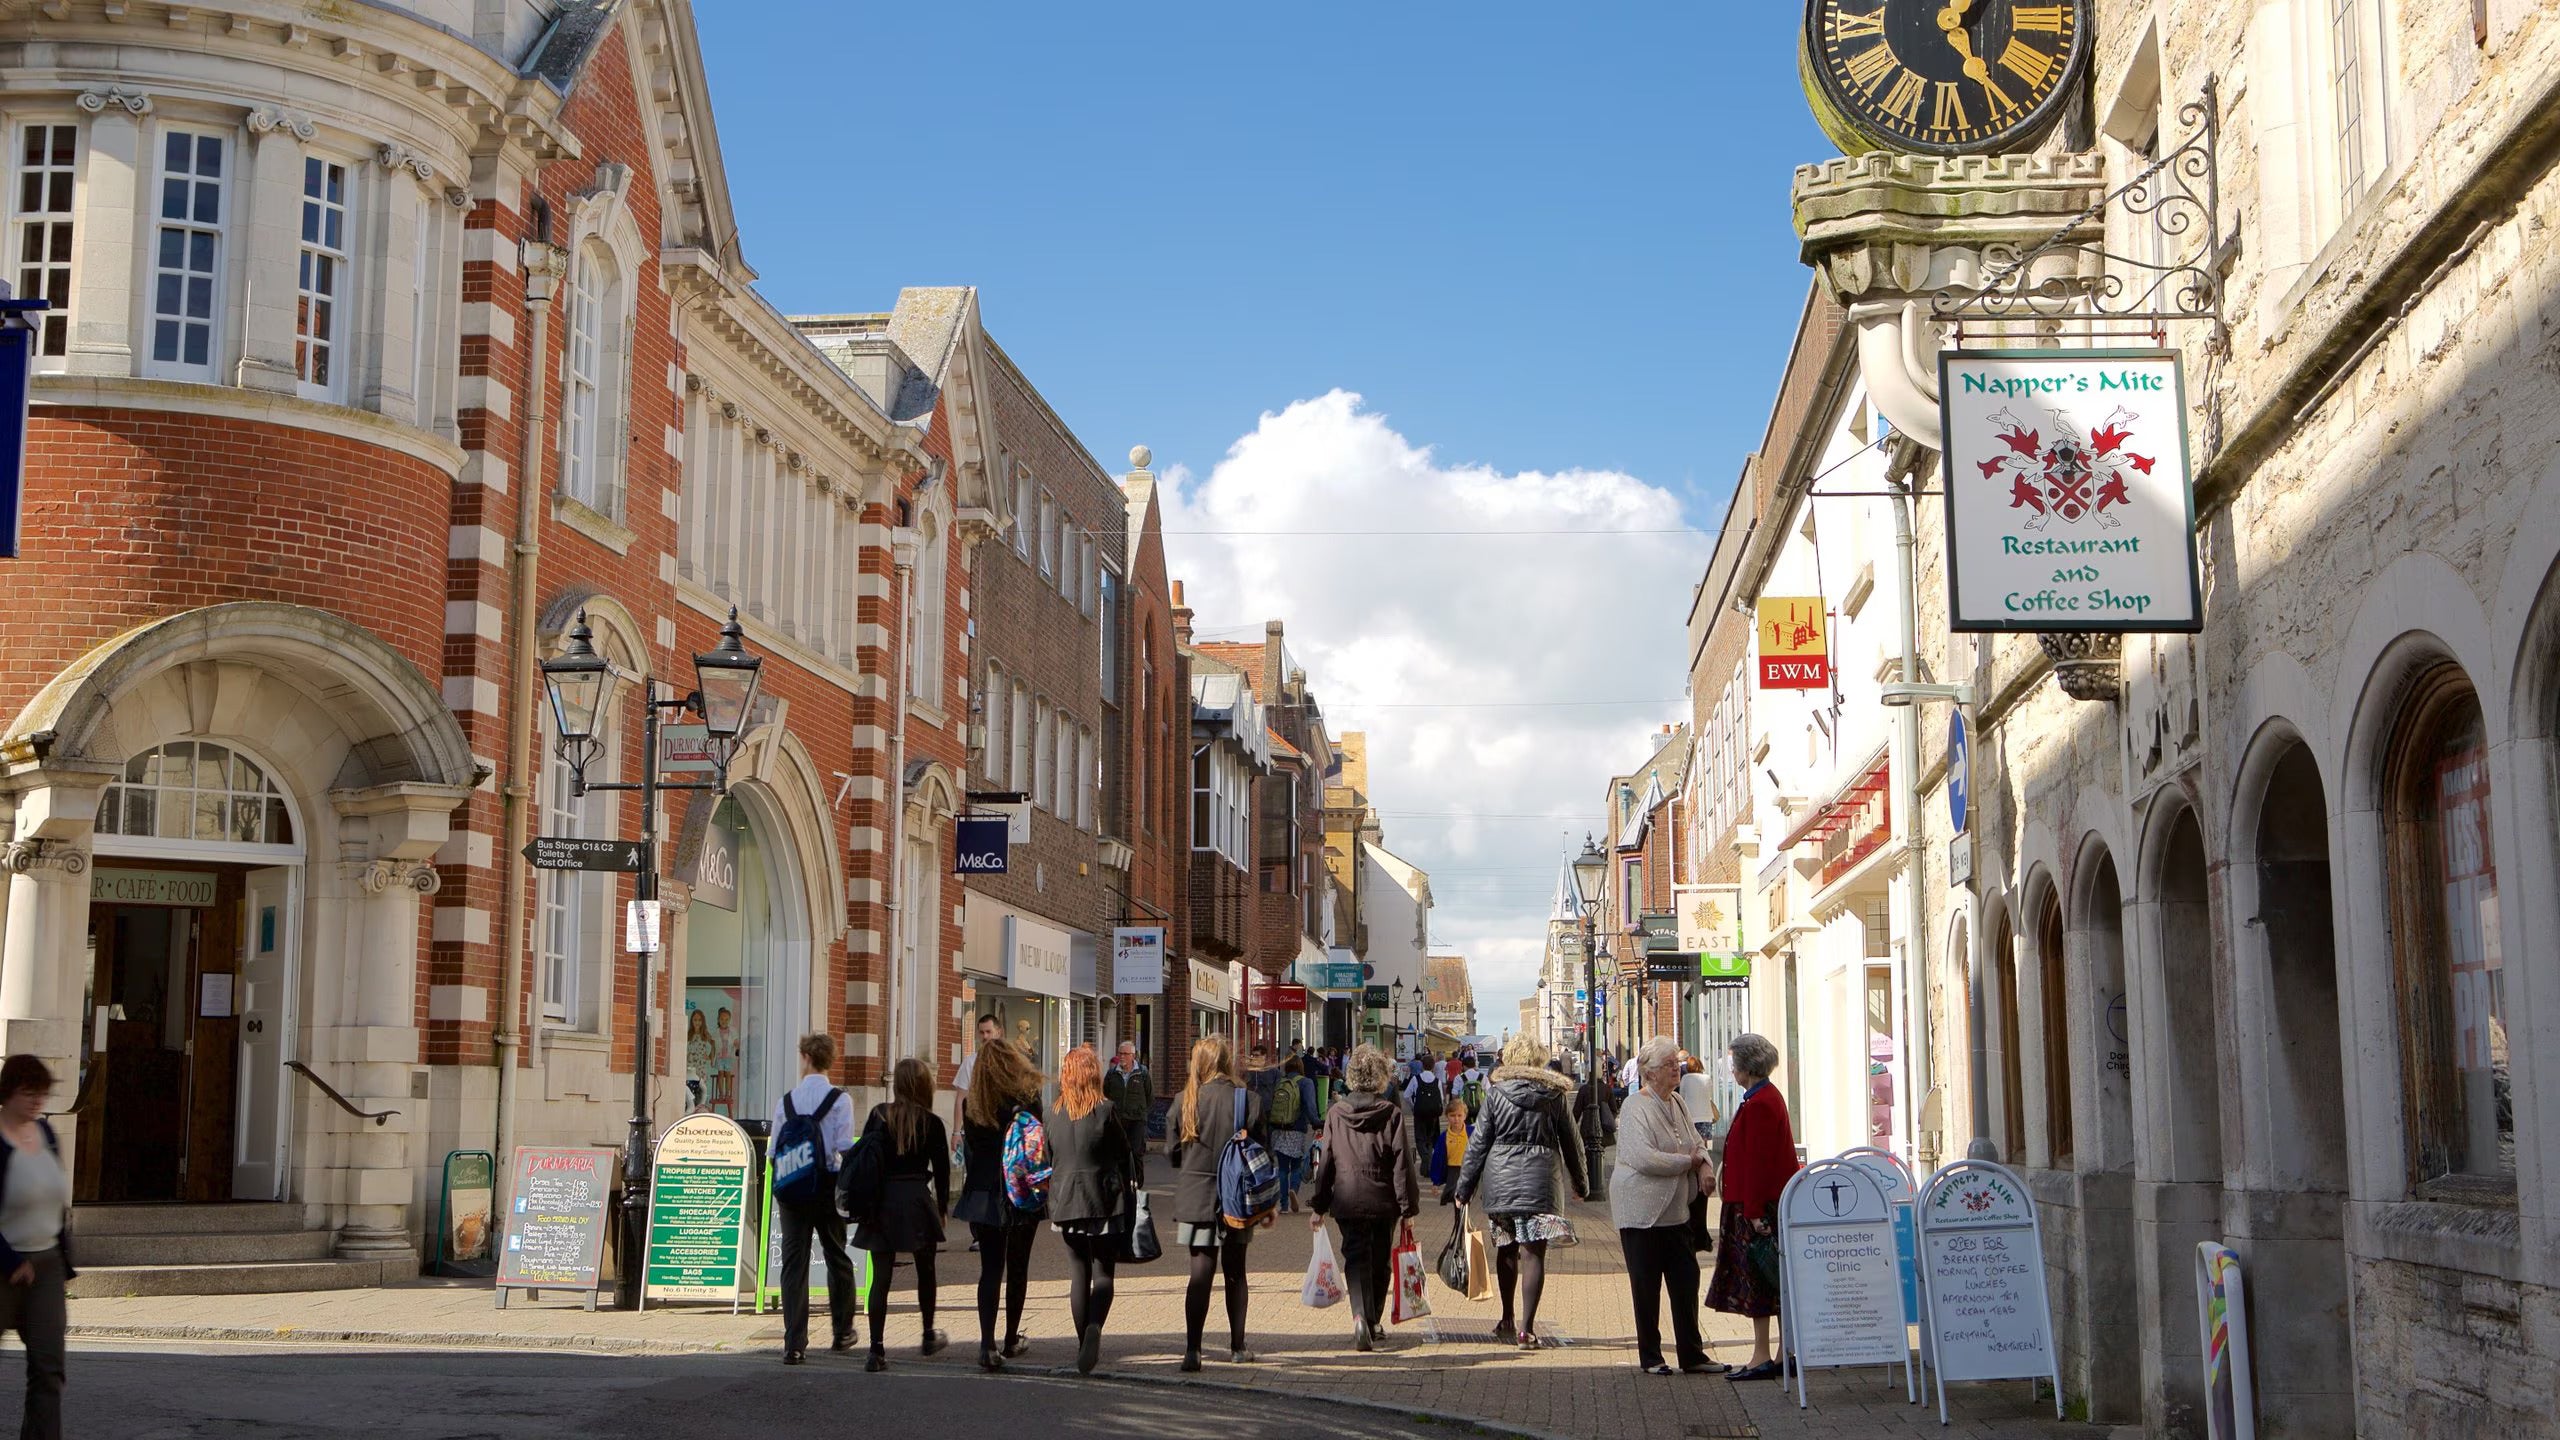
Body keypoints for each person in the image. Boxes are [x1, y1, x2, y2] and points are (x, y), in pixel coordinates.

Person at [1452, 1031, 1588, 1351]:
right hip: (1542, 1184)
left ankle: (1507, 1317)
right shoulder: (1554, 1095)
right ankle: (1527, 1329)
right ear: (1539, 1059)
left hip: (1502, 1183)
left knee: (1507, 1249)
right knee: (1534, 1253)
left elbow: (1478, 1145)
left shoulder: (1497, 1094)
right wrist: (1582, 1184)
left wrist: (1464, 1189)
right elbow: (1572, 1144)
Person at [1613, 1038, 1716, 1376]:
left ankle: (1693, 1355)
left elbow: (1697, 1143)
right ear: (1651, 1072)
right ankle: (1652, 1357)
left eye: (1677, 1063)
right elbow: (1644, 1158)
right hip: (1641, 1211)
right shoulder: (1634, 1107)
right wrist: (1687, 1161)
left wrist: (1704, 1166)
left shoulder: (1679, 1102)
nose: (1677, 1068)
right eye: (1670, 1064)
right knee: (1646, 1286)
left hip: (1677, 1210)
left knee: (1686, 1281)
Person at [1310, 1044, 1418, 1351]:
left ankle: (1360, 1316)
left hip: (1346, 1197)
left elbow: (1326, 1160)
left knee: (1355, 1258)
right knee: (1380, 1262)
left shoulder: (1336, 1113)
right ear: (1381, 1076)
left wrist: (1319, 1204)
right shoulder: (1391, 1114)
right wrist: (1408, 1206)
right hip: (1383, 1199)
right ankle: (1373, 1321)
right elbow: (1402, 1164)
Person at [1706, 1033, 1800, 1381]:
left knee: (1759, 1281)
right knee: (1770, 1281)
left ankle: (1764, 1355)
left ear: (1746, 1066)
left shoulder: (1761, 1103)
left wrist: (1756, 1211)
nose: (1731, 1071)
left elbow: (1760, 1162)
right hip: (1753, 1202)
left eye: (1733, 1064)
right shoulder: (1762, 1097)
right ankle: (1780, 1352)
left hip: (1755, 1205)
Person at [1169, 1033, 1264, 1371]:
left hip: (1196, 1198)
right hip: (1237, 1198)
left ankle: (1193, 1350)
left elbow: (1171, 1154)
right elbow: (1259, 1152)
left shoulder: (1184, 1100)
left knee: (1199, 1275)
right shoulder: (1246, 1100)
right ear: (1227, 1062)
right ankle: (1238, 1346)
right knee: (1236, 1273)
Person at [852, 1057, 950, 1372]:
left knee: (880, 1278)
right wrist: (943, 1208)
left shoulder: (879, 1115)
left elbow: (866, 1159)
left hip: (882, 1200)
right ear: (924, 1086)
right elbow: (944, 1171)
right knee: (927, 1271)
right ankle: (927, 1334)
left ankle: (876, 1350)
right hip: (918, 1200)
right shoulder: (932, 1122)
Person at [1046, 1045, 1135, 1374]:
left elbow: (1048, 1156)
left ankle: (1083, 1342)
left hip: (1065, 1201)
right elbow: (1124, 1153)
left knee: (1078, 1275)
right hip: (1103, 1202)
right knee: (1103, 1274)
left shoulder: (1052, 1112)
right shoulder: (1105, 1109)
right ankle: (1095, 1328)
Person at [956, 1037, 1044, 1370]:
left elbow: (974, 1154)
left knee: (990, 1270)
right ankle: (1010, 1339)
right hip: (1019, 1192)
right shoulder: (1026, 1099)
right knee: (1018, 1267)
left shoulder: (973, 1107)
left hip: (983, 1194)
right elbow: (1037, 1143)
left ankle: (986, 1343)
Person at [770, 1033, 858, 1364]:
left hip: (792, 1189)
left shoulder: (787, 1101)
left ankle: (794, 1343)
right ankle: (842, 1330)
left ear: (806, 1057)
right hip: (826, 1183)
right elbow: (844, 1148)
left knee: (794, 1263)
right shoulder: (840, 1100)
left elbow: (773, 1151)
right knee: (837, 1255)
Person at [0, 1055, 69, 1440]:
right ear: (9, 1091)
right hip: (4, 1264)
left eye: (41, 1093)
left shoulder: (47, 1135)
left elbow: (56, 1201)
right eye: (29, 1093)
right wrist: (10, 1260)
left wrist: (61, 1257)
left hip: (45, 1264)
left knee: (48, 1367)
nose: (37, 1101)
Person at [1267, 1056, 1317, 1212]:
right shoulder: (1306, 1082)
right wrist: (1317, 1122)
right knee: (1296, 1165)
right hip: (1297, 1129)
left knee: (1282, 1168)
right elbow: (1310, 1107)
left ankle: (1283, 1205)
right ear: (1301, 1067)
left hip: (1278, 1129)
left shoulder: (1279, 1082)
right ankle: (1293, 1190)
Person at [1103, 1040, 1153, 1184]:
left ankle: (1137, 1183)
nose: (1122, 1057)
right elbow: (1106, 1093)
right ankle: (1121, 1182)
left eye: (1126, 1054)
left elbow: (1149, 1096)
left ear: (1133, 1056)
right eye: (1120, 1054)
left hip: (1137, 1120)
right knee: (1118, 1151)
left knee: (1136, 1152)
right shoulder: (1112, 1074)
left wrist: (1141, 1112)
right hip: (1118, 1119)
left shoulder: (1142, 1073)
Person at [1676, 1050, 1723, 1160]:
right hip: (1705, 1114)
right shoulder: (1706, 1078)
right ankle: (1705, 1161)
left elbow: (1681, 1095)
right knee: (1703, 1142)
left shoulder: (1685, 1078)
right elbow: (1710, 1095)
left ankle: (1694, 1162)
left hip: (1690, 1115)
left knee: (1692, 1142)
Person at [952, 1012, 1001, 1100]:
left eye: (988, 1032)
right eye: (981, 1032)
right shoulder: (970, 1062)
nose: (985, 1036)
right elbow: (961, 1098)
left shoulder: (1008, 1061)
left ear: (998, 1032)